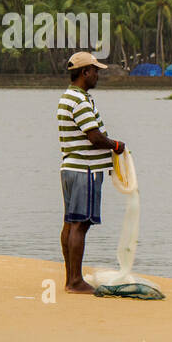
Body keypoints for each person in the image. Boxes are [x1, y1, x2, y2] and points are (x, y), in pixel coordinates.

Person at [58, 51, 125, 294]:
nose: (97, 75)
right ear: (84, 72)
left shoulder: (70, 97)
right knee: (80, 224)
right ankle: (75, 281)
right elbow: (95, 138)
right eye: (95, 70)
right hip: (83, 169)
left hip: (71, 168)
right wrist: (116, 145)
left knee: (70, 222)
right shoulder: (79, 101)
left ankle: (71, 279)